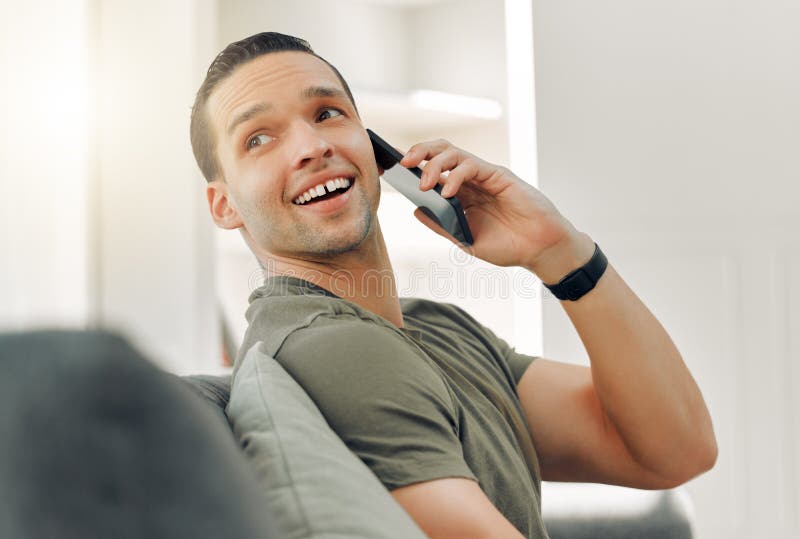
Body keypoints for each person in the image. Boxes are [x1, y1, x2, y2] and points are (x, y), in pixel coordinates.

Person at [190, 32, 717, 539]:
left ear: (375, 150)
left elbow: (676, 448)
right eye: (258, 139)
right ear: (225, 204)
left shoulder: (428, 326)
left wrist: (559, 251)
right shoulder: (337, 348)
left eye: (327, 113)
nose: (310, 146)